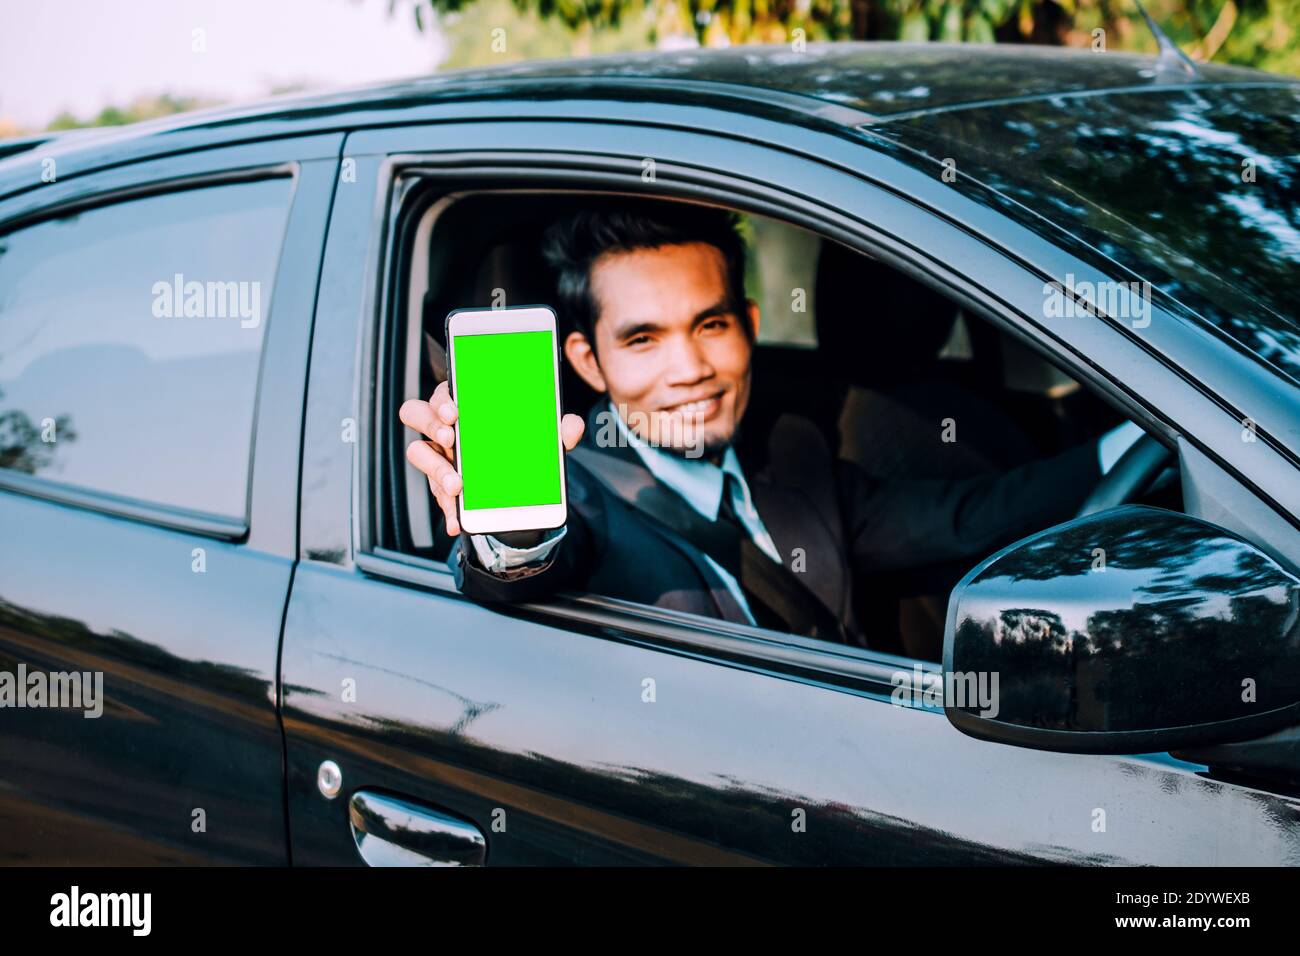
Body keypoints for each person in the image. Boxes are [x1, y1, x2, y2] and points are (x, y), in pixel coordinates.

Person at [400, 201, 1140, 647]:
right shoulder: (577, 501)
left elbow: (967, 518)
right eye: (643, 339)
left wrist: (1143, 440)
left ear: (751, 327)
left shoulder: (794, 456)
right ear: (588, 363)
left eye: (711, 325)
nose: (689, 367)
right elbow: (526, 572)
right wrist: (512, 537)